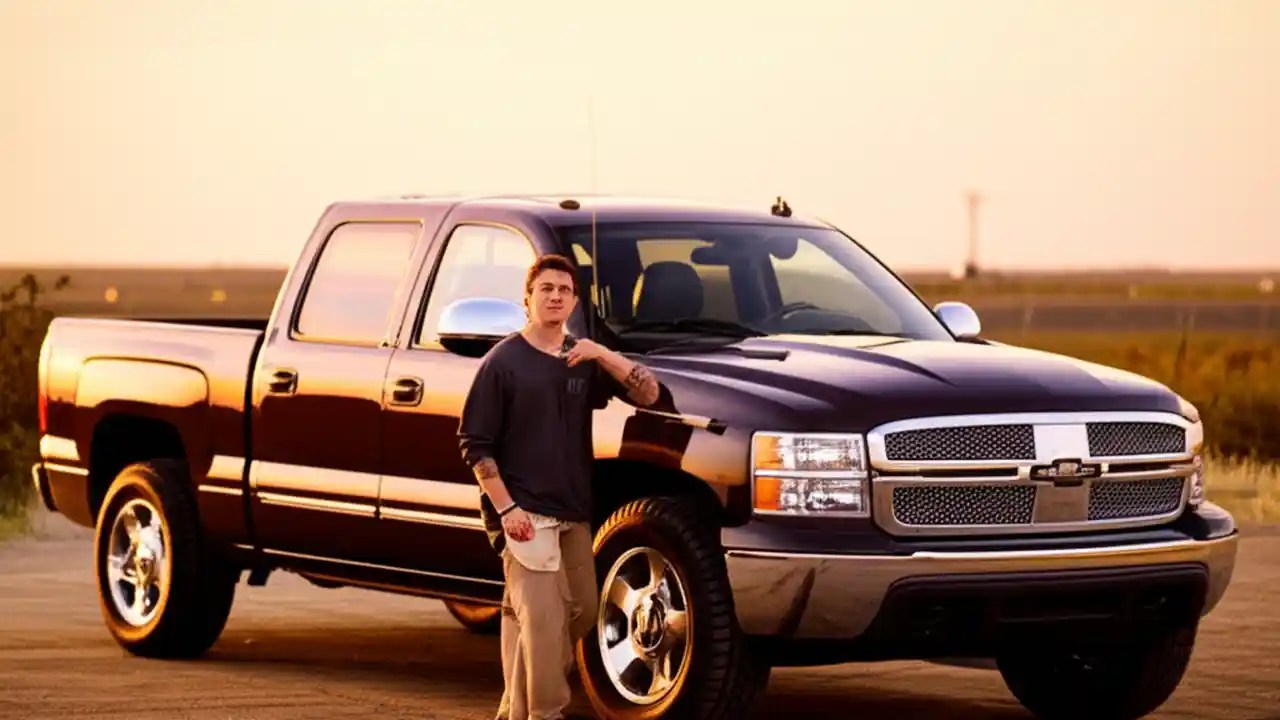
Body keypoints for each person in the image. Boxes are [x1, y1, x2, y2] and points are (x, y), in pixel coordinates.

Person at [457, 253, 661, 720]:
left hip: (574, 511)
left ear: (573, 301)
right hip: (525, 514)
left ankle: (513, 708)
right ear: (526, 299)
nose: (554, 296)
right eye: (545, 288)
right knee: (545, 627)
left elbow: (648, 394)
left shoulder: (581, 360)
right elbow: (475, 446)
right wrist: (508, 511)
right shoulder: (501, 364)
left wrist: (602, 354)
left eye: (564, 290)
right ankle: (545, 713)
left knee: (582, 612)